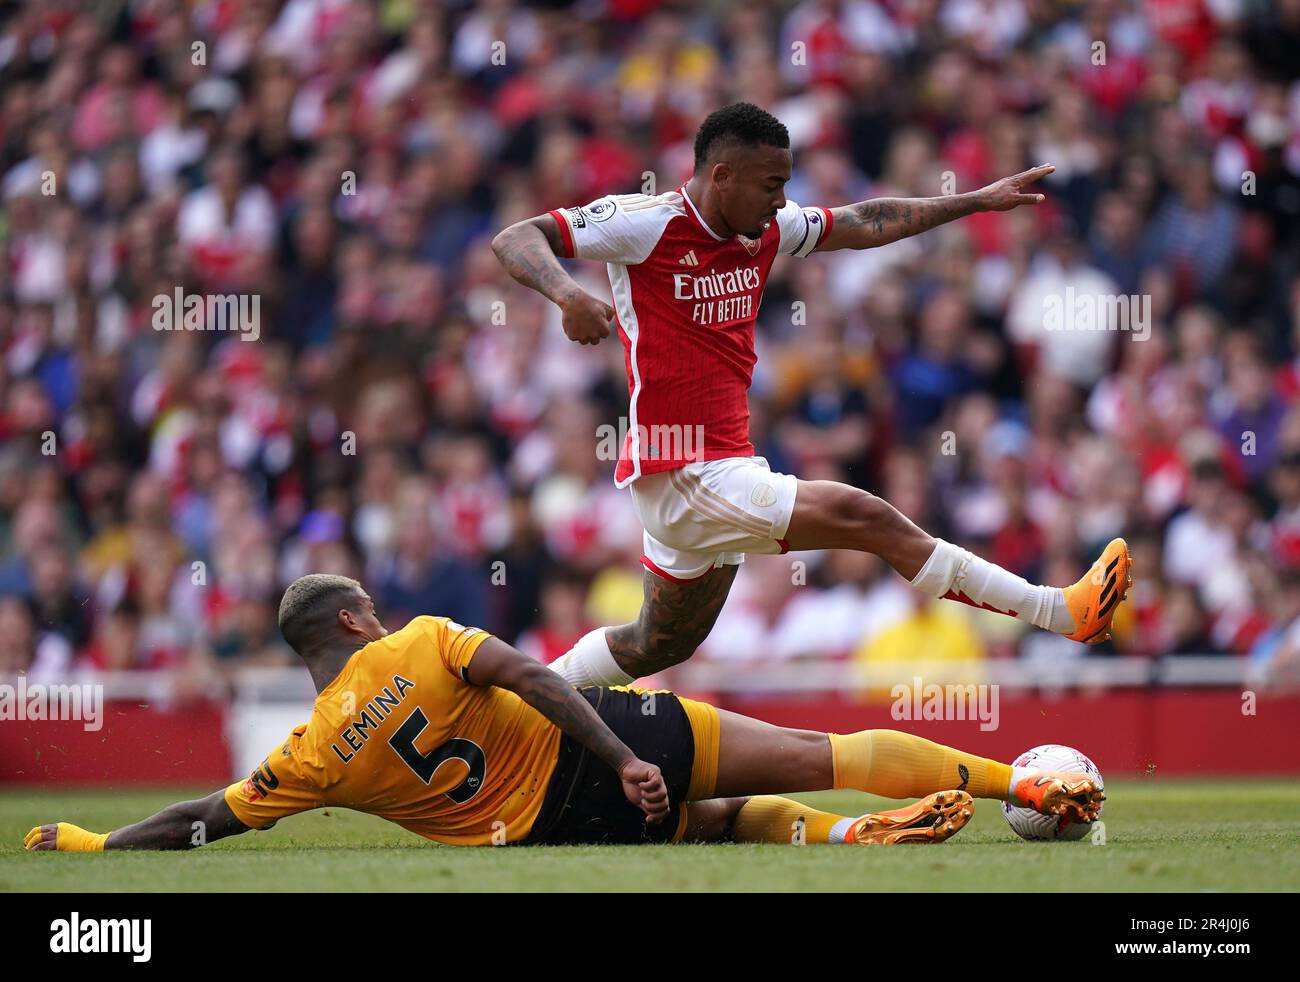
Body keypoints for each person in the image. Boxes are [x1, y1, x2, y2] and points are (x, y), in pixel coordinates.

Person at [491, 102, 1131, 691]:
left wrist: (975, 201)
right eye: (771, 185)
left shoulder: (765, 225)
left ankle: (520, 701)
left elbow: (864, 221)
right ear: (722, 177)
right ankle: (1059, 610)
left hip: (722, 466)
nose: (781, 200)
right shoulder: (644, 222)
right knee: (867, 517)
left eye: (786, 184)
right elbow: (517, 237)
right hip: (680, 469)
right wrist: (568, 295)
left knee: (657, 643)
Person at [26, 575, 1103, 851]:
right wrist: (622, 751)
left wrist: (89, 844)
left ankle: (841, 841)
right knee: (822, 749)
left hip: (556, 830)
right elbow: (540, 681)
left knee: (722, 822)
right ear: (354, 619)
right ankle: (1026, 780)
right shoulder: (417, 640)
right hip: (610, 745)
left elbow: (197, 821)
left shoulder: (308, 758)